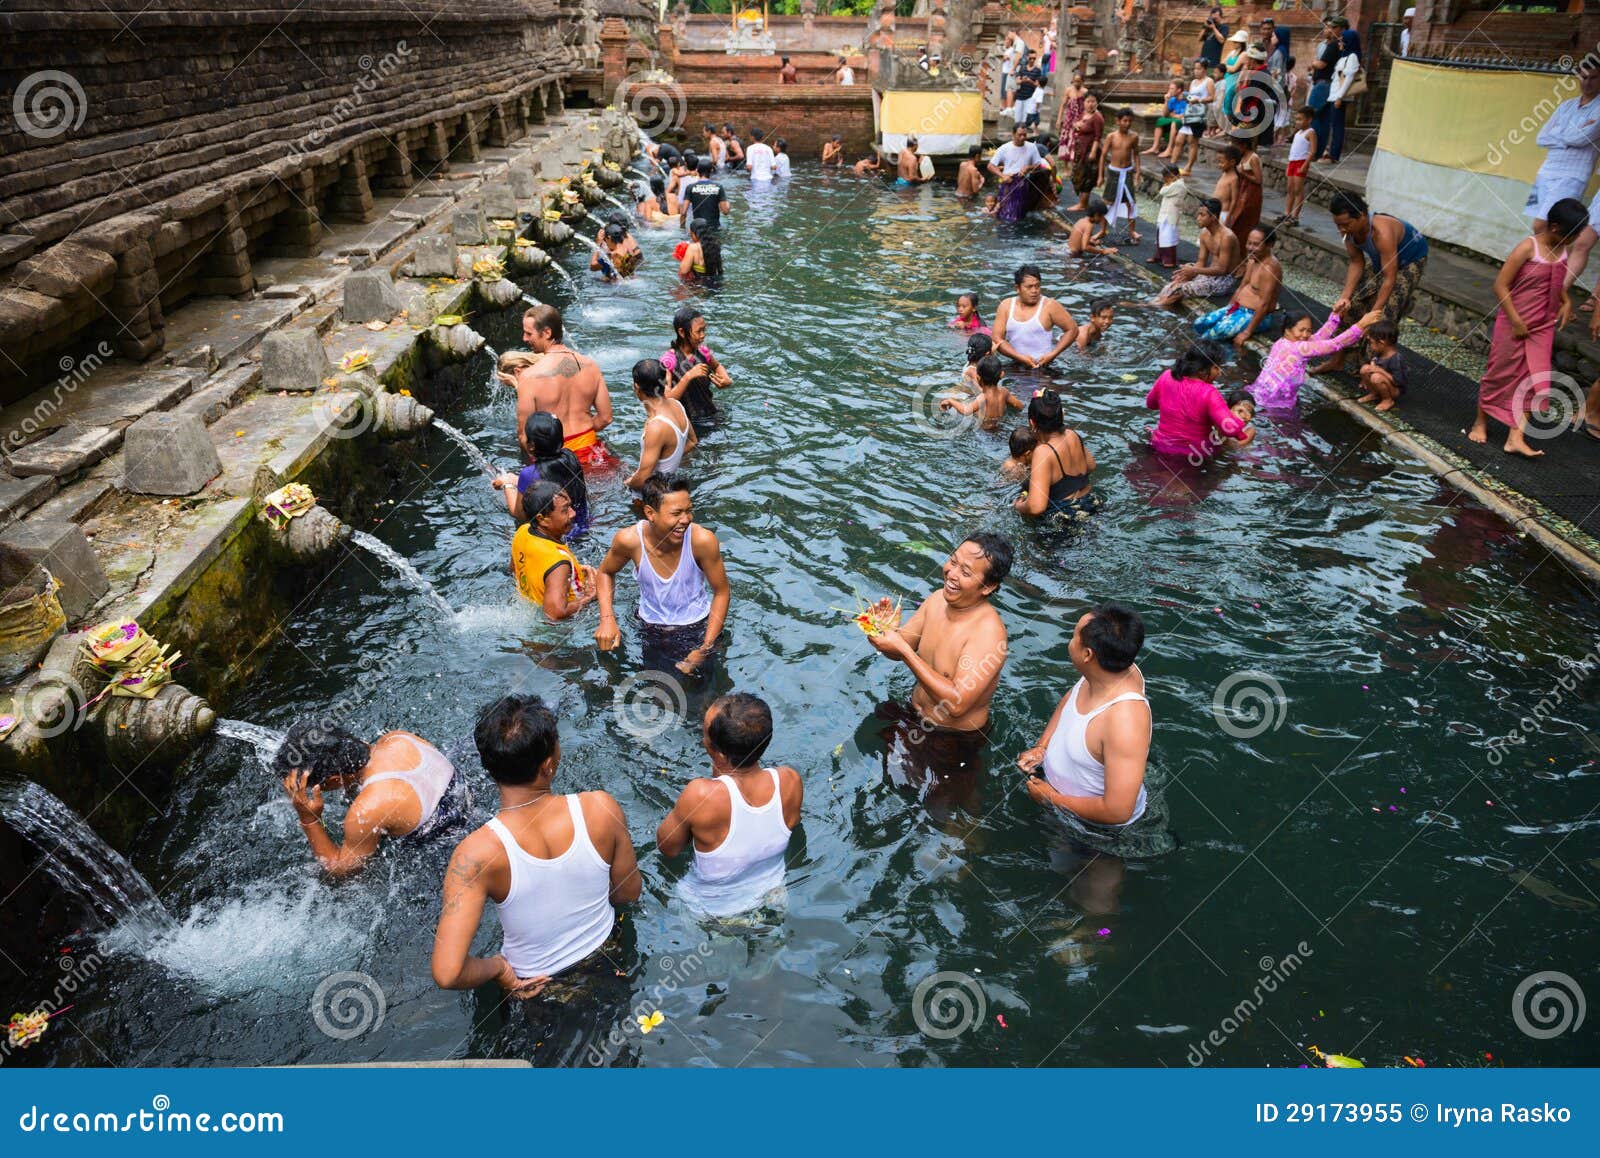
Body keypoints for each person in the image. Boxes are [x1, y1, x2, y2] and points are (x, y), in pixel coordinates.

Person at [431, 695, 639, 998]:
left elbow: (448, 972)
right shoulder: (600, 808)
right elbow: (628, 892)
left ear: (488, 766)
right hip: (611, 961)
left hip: (538, 991)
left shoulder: (477, 853)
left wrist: (498, 969)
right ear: (549, 764)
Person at [657, 694, 803, 918]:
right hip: (774, 897)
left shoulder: (700, 795)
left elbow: (667, 848)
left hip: (712, 910)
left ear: (717, 753)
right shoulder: (789, 781)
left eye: (705, 734)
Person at [866, 534, 1011, 741]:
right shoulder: (936, 600)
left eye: (965, 572)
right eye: (953, 561)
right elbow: (897, 651)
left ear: (988, 586)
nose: (952, 574)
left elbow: (957, 705)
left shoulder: (988, 633)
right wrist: (883, 631)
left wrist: (904, 651)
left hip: (951, 737)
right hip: (912, 712)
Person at [1471, 198, 1586, 456]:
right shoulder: (1527, 247)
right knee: (1499, 374)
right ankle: (1480, 421)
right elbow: (1500, 285)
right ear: (1555, 227)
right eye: (1572, 234)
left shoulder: (1563, 248)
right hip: (1514, 322)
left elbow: (1556, 280)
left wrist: (1566, 301)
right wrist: (1516, 320)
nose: (1574, 240)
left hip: (1543, 325)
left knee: (1535, 380)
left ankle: (1516, 437)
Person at [1018, 605, 1151, 828]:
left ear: (1087, 655)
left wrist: (1052, 799)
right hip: (1061, 801)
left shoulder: (1124, 720)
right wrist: (1042, 746)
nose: (1070, 641)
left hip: (1092, 830)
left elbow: (1118, 811)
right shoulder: (1108, 668)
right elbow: (1072, 697)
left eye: (1074, 636)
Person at [278, 720, 459, 877]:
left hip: (443, 852)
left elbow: (341, 872)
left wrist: (309, 819)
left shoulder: (367, 810)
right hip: (463, 804)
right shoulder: (397, 738)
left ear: (333, 779)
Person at [594, 475, 730, 676]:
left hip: (697, 628)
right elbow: (605, 572)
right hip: (650, 628)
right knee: (656, 688)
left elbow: (722, 592)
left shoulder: (702, 541)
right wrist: (607, 619)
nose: (685, 520)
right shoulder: (630, 540)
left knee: (703, 690)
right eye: (676, 513)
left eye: (689, 510)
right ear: (650, 513)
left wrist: (705, 648)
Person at [1314, 191, 1429, 373]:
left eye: (1345, 224)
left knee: (1382, 318)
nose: (1341, 230)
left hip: (1410, 261)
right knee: (1349, 307)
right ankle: (1337, 360)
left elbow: (1389, 278)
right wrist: (1345, 298)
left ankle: (1370, 370)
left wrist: (1374, 313)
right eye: (1338, 225)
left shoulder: (1381, 233)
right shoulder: (1348, 232)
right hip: (1381, 259)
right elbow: (1356, 262)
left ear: (1361, 216)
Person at [509, 305, 616, 470]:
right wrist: (581, 435)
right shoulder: (590, 365)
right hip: (593, 455)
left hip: (556, 461)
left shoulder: (529, 377)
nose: (524, 338)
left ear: (547, 333)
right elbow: (605, 418)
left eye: (529, 334)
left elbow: (524, 435)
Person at [1526, 62, 1600, 289]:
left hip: (1573, 175)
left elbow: (1580, 139)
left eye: (1593, 78)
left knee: (1547, 226)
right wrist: (1569, 136)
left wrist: (1560, 135)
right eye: (1583, 77)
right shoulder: (1566, 106)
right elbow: (1541, 137)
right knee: (1537, 226)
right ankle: (1539, 274)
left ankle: (1546, 277)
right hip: (1547, 170)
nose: (1587, 83)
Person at [1250, 309, 1382, 409]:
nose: (1305, 335)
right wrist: (1361, 325)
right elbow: (1334, 344)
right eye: (1301, 330)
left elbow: (1318, 338)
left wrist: (1335, 316)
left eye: (1308, 330)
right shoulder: (1300, 348)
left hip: (1261, 393)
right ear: (1287, 330)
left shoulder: (1281, 342)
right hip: (1274, 402)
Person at [493, 410, 590, 535]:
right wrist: (517, 480)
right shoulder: (570, 457)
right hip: (583, 527)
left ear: (531, 446)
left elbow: (520, 515)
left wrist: (507, 484)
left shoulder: (528, 474)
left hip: (557, 536)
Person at [1146, 342, 1250, 458]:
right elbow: (1230, 429)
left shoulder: (1166, 376)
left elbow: (1151, 404)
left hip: (1160, 446)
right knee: (1250, 434)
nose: (1220, 372)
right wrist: (1239, 421)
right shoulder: (1209, 392)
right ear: (1201, 370)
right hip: (1195, 455)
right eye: (1216, 367)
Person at [511, 482, 596, 620]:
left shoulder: (522, 531)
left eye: (570, 506)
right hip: (565, 626)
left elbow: (516, 570)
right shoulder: (559, 562)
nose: (573, 513)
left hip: (528, 608)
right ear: (542, 519)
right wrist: (590, 596)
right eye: (565, 510)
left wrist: (567, 574)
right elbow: (554, 613)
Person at [1192, 225, 1282, 347]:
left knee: (1212, 335)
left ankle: (1219, 355)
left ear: (1269, 245)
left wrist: (1247, 332)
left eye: (1256, 244)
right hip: (1238, 308)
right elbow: (1242, 286)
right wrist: (1228, 310)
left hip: (1255, 316)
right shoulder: (1252, 260)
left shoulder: (1269, 269)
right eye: (1249, 243)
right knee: (1200, 324)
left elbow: (1264, 304)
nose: (1250, 248)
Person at [1015, 388, 1096, 520]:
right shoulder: (1072, 434)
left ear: (1032, 423)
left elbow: (1036, 507)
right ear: (1061, 416)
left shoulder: (1043, 451)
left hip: (1068, 517)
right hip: (1091, 503)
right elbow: (1091, 466)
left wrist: (1019, 505)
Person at [1152, 198, 1241, 306]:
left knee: (1180, 290)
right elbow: (1201, 262)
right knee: (1173, 284)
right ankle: (1153, 304)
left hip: (1223, 281)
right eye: (1198, 214)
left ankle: (1152, 307)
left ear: (1213, 217)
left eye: (1202, 215)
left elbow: (1222, 270)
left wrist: (1194, 270)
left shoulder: (1227, 237)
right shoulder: (1204, 233)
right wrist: (1189, 273)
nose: (1198, 218)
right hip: (1208, 275)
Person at [624, 358, 696, 490]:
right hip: (668, 487)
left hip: (652, 495)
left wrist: (626, 483)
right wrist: (668, 460)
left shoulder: (656, 426)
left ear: (636, 387)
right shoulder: (677, 405)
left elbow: (642, 480)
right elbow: (692, 442)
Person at [994, 263, 1078, 369]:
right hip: (1015, 363)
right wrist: (1018, 357)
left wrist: (1054, 353)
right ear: (1017, 288)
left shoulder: (1050, 305)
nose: (1034, 291)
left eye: (1037, 286)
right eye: (1029, 287)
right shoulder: (1006, 305)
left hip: (1044, 365)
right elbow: (997, 339)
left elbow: (1072, 330)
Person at [662, 305, 732, 429]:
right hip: (686, 422)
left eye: (704, 330)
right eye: (698, 331)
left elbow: (717, 366)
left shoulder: (703, 352)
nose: (703, 335)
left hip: (710, 412)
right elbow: (666, 401)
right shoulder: (668, 360)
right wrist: (688, 376)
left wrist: (726, 379)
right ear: (682, 332)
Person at [988, 123, 1050, 221]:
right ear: (1013, 134)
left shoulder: (1031, 147)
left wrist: (1028, 167)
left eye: (1024, 135)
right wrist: (1002, 175)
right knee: (1003, 214)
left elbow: (1038, 165)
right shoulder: (1004, 148)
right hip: (1008, 184)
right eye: (1019, 135)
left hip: (1023, 184)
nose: (1022, 137)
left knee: (1019, 215)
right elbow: (990, 166)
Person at [941, 354, 1020, 430]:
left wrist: (950, 401)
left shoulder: (983, 397)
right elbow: (1020, 406)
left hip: (985, 432)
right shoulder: (1004, 391)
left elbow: (966, 411)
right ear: (1002, 374)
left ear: (978, 378)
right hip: (1000, 426)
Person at [1097, 108, 1141, 244]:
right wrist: (1100, 176)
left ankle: (1132, 231)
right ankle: (1103, 229)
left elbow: (1136, 154)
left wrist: (1138, 173)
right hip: (1114, 172)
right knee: (1107, 202)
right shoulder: (1111, 136)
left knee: (1130, 203)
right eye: (1125, 121)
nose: (1127, 124)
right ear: (1118, 121)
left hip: (1127, 172)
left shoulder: (1134, 137)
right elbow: (1103, 156)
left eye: (1130, 121)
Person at [1062, 91, 1105, 211]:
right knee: (1078, 175)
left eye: (1093, 101)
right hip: (1080, 150)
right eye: (1088, 101)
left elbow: (1098, 136)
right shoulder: (1084, 114)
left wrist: (1093, 152)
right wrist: (1076, 125)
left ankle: (1083, 204)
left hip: (1090, 151)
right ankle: (1082, 202)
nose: (1090, 104)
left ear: (1097, 103)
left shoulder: (1097, 117)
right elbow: (1076, 123)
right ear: (1084, 103)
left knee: (1088, 177)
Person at [1326, 19, 1361, 163]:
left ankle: (1334, 155)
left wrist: (1340, 97)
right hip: (1334, 94)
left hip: (1339, 96)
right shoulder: (1344, 56)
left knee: (1338, 126)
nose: (1340, 43)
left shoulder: (1352, 57)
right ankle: (1331, 152)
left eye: (1342, 40)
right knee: (1334, 125)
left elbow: (1349, 78)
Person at [1357, 319, 1409, 413]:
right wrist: (1371, 367)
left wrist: (1379, 370)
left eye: (1371, 342)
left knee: (1376, 377)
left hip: (1394, 390)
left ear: (1381, 343)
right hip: (1381, 382)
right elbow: (1374, 362)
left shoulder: (1396, 359)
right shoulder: (1380, 351)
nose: (1370, 345)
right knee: (1364, 369)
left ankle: (1387, 400)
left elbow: (1399, 382)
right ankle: (1374, 394)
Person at [1307, 21, 1341, 162]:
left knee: (1313, 117)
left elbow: (1321, 64)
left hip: (1323, 84)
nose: (1327, 30)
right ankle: (1317, 152)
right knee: (1324, 120)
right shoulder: (1338, 45)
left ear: (1338, 29)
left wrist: (1313, 63)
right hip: (1329, 85)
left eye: (1330, 27)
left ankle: (1312, 152)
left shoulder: (1333, 45)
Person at [1176, 59, 1214, 174]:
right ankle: (1173, 163)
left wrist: (1199, 100)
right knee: (1179, 139)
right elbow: (1190, 96)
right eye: (1195, 69)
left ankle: (1188, 168)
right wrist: (1186, 97)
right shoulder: (1193, 82)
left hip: (1200, 114)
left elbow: (1212, 97)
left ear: (1204, 69)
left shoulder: (1209, 81)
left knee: (1193, 141)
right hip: (1190, 113)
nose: (1196, 71)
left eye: (1199, 69)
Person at [1282, 106, 1316, 226]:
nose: (1297, 122)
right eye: (1296, 119)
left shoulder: (1310, 132)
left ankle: (1295, 216)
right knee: (1290, 189)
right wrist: (1288, 165)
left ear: (1309, 120)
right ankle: (1287, 213)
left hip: (1301, 163)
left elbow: (1313, 151)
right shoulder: (1297, 133)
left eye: (1300, 119)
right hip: (1293, 162)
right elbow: (1293, 151)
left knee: (1298, 190)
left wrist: (1305, 165)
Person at [1228, 136, 1263, 252]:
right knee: (1236, 221)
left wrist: (1243, 173)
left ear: (1243, 145)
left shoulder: (1253, 158)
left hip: (1251, 193)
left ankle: (1243, 251)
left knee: (1245, 222)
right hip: (1242, 190)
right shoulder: (1241, 156)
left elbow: (1259, 180)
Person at [1151, 163, 1186, 269]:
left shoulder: (1178, 185)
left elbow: (1163, 191)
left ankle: (1169, 260)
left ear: (1173, 176)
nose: (1165, 180)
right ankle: (1159, 256)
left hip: (1170, 214)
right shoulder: (1173, 183)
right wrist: (1168, 183)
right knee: (1160, 235)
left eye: (1166, 178)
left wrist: (1167, 184)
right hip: (1165, 213)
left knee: (1168, 236)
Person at [680, 156, 729, 231]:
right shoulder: (718, 187)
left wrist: (682, 228)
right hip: (714, 229)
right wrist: (727, 203)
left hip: (697, 229)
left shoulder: (690, 187)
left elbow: (683, 212)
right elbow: (725, 211)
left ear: (697, 170)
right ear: (711, 170)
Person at [677, 217, 723, 281]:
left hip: (697, 283)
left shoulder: (693, 248)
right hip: (715, 282)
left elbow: (683, 272)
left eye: (691, 234)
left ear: (694, 234)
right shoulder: (715, 245)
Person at [1146, 81, 1185, 156]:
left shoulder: (1186, 97)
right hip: (1176, 118)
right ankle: (1155, 147)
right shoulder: (1172, 99)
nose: (1169, 91)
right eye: (1169, 88)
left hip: (1185, 120)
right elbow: (1165, 114)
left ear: (1179, 90)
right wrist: (1166, 101)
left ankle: (1169, 149)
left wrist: (1175, 115)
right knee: (1160, 120)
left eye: (1172, 89)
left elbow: (1186, 113)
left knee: (1174, 123)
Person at [1198, 6, 1228, 71]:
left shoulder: (1224, 27)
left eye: (1216, 17)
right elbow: (1199, 39)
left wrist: (1213, 28)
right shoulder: (1208, 27)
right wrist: (1204, 27)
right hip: (1203, 59)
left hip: (1213, 61)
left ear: (1220, 16)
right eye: (1213, 16)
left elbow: (1222, 40)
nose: (1214, 19)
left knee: (1210, 75)